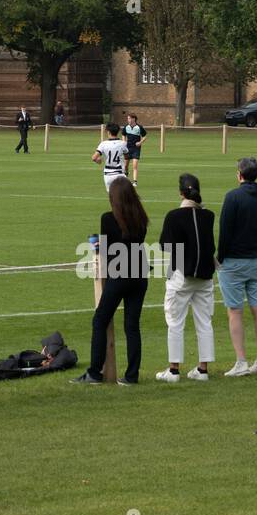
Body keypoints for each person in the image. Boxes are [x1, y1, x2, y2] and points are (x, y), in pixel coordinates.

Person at [72, 176, 150, 386]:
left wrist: (97, 246)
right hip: (139, 273)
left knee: (100, 320)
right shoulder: (141, 217)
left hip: (120, 274)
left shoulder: (108, 218)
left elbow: (107, 252)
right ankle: (131, 375)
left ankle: (95, 372)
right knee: (132, 326)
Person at [156, 173, 216, 383]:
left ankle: (173, 370)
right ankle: (203, 369)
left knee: (174, 321)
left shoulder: (174, 215)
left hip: (181, 274)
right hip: (205, 275)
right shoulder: (208, 215)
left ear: (181, 193)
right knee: (204, 322)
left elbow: (165, 245)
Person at [216, 157, 257, 377]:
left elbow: (225, 230)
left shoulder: (233, 197)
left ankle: (241, 362)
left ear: (240, 174)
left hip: (235, 261)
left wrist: (220, 257)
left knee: (235, 311)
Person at [92, 122, 127, 192]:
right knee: (125, 196)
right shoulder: (123, 144)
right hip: (119, 173)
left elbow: (94, 158)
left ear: (108, 132)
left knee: (113, 197)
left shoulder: (103, 144)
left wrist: (98, 161)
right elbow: (126, 155)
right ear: (118, 132)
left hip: (108, 175)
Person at [122, 112, 147, 185]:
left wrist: (140, 142)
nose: (128, 120)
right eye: (128, 118)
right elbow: (123, 135)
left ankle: (135, 182)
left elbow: (145, 136)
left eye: (129, 118)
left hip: (136, 149)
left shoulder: (139, 127)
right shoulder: (126, 127)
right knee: (126, 165)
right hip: (127, 148)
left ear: (134, 119)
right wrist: (124, 142)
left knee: (134, 165)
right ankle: (126, 175)